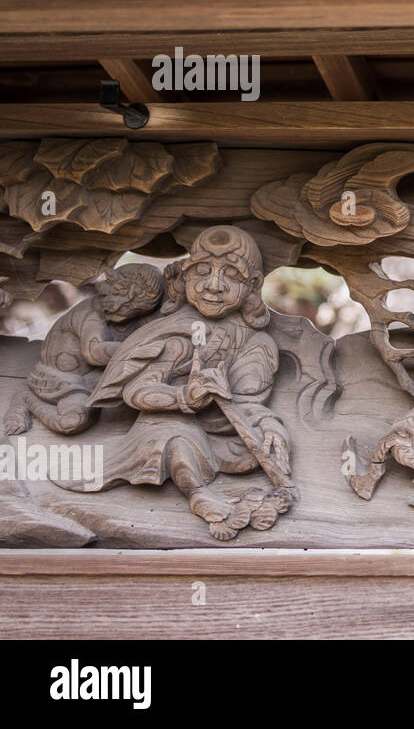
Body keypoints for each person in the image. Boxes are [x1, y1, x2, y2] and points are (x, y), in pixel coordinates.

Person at [56, 226, 293, 540]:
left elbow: (248, 402)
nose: (213, 286)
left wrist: (268, 424)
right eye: (201, 273)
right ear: (184, 277)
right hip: (167, 422)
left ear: (252, 285)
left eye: (232, 276)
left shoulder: (257, 343)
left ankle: (237, 491)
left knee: (255, 448)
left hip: (220, 434)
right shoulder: (176, 333)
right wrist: (184, 397)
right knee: (174, 435)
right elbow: (136, 391)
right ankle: (198, 495)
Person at [5, 263, 164, 436]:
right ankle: (26, 400)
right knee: (71, 422)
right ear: (114, 290)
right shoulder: (92, 315)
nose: (126, 313)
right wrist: (140, 349)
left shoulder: (120, 315)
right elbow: (94, 353)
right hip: (61, 381)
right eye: (126, 306)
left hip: (90, 378)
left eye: (135, 310)